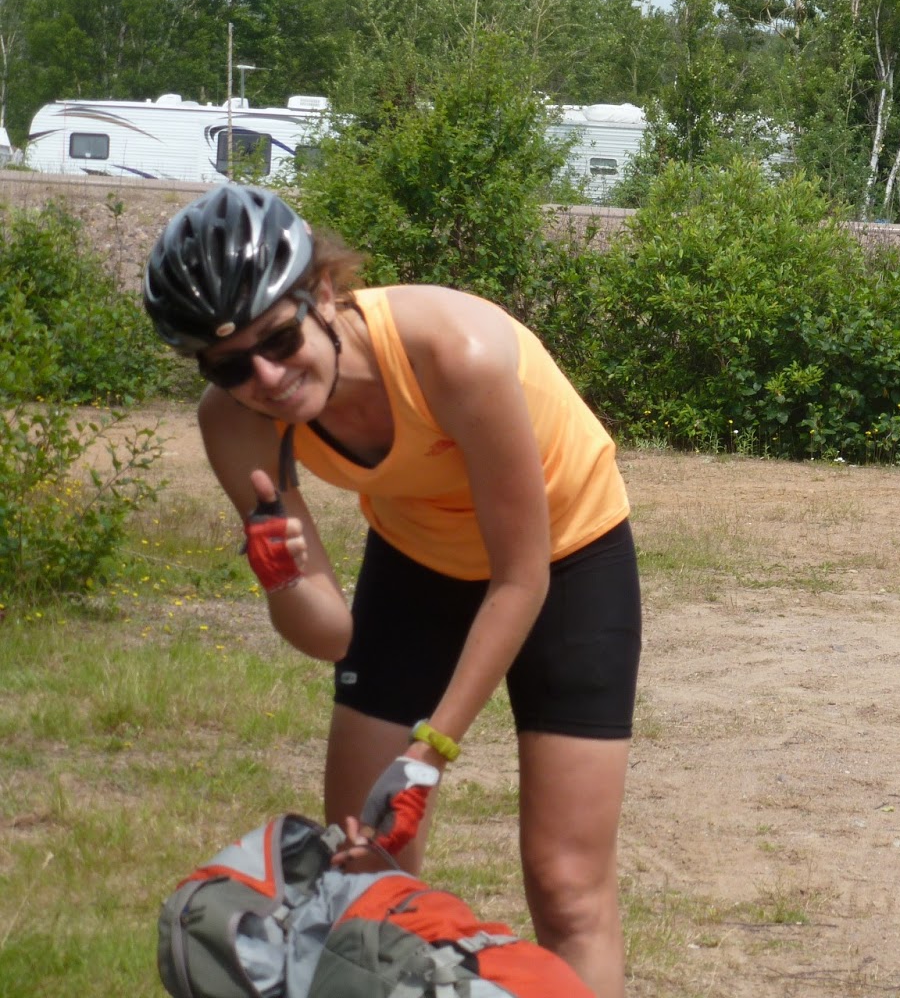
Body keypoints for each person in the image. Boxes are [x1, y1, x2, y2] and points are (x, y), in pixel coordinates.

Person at [143, 185, 640, 998]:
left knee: (565, 881)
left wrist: (430, 751)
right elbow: (331, 633)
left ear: (324, 293)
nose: (265, 376)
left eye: (278, 338)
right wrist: (279, 573)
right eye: (229, 365)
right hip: (418, 555)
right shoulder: (233, 423)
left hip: (569, 553)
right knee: (367, 868)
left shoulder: (455, 351)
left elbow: (521, 577)